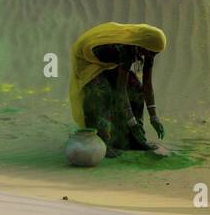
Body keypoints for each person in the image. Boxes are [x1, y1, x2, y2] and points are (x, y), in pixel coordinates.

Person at [70, 23, 169, 158]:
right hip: (89, 59)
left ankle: (135, 140)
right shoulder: (125, 49)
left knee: (135, 87)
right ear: (143, 45)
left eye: (156, 53)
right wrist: (132, 123)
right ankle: (102, 141)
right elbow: (120, 90)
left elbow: (147, 84)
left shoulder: (147, 50)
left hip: (112, 61)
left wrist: (154, 117)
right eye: (151, 52)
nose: (152, 56)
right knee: (100, 91)